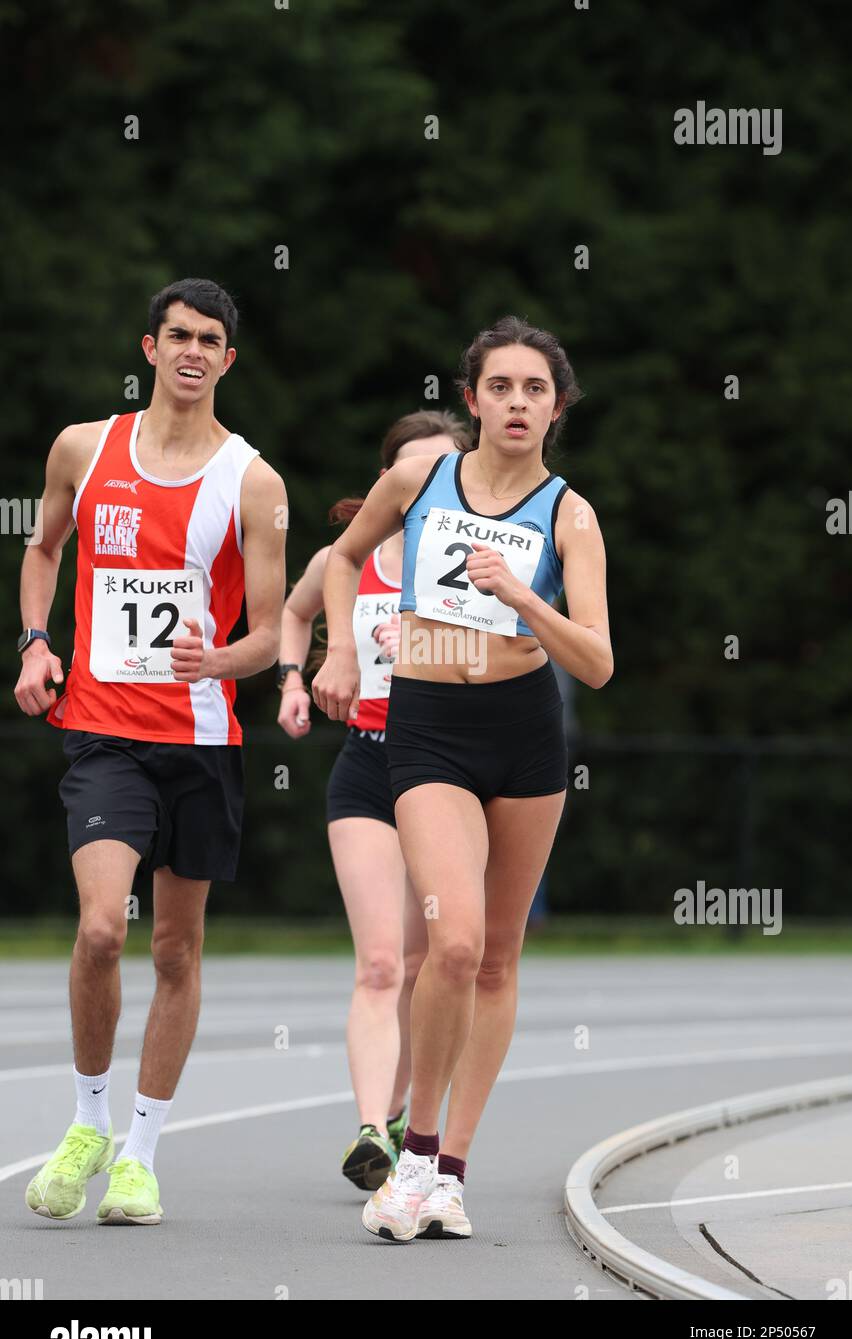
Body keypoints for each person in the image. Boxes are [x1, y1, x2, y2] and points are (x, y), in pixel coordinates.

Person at [312, 316, 613, 1241]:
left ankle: (450, 1173)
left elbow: (597, 662)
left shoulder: (569, 514)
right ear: (472, 397)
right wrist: (345, 658)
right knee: (448, 945)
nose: (517, 403)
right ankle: (413, 1155)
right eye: (501, 387)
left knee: (496, 957)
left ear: (555, 408)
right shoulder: (419, 478)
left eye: (535, 390)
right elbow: (344, 558)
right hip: (429, 728)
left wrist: (525, 598)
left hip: (524, 733)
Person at [15, 278, 286, 1225]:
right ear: (149, 347)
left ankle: (140, 1151)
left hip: (201, 742)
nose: (193, 352)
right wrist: (36, 642)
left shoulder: (253, 482)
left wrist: (221, 656)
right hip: (102, 734)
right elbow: (43, 549)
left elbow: (272, 631)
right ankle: (89, 1116)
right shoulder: (84, 449)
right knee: (101, 928)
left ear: (228, 359)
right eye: (178, 335)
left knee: (176, 949)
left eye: (211, 339)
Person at [277, 411, 471, 1190]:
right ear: (386, 482)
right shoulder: (344, 561)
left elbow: (517, 658)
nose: (429, 485)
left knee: (432, 961)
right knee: (382, 961)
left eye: (446, 470)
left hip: (450, 772)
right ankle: (368, 1131)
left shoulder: (473, 561)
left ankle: (399, 1115)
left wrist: (426, 647)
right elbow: (294, 615)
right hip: (367, 764)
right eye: (414, 472)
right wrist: (296, 679)